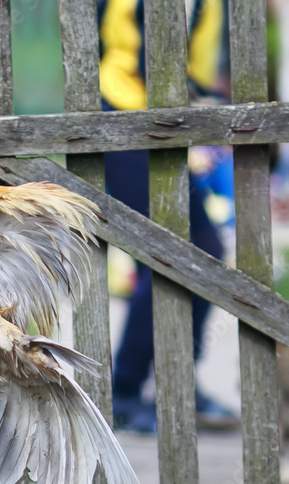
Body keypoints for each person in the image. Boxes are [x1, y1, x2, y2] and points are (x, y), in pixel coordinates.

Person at [99, 0, 239, 432]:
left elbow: (198, 51)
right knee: (162, 258)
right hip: (125, 114)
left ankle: (178, 377)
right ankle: (123, 391)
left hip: (170, 118)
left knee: (206, 251)